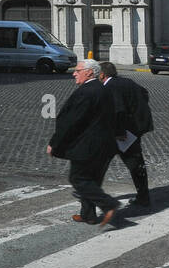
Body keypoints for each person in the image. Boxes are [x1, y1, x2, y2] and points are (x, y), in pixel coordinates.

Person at [47, 58, 119, 226]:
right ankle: (88, 215)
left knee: (78, 179)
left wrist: (54, 143)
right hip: (104, 145)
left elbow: (71, 121)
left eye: (77, 71)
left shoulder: (86, 91)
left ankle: (109, 204)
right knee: (91, 180)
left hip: (86, 146)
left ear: (88, 72)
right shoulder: (103, 89)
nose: (74, 73)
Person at [99, 61, 153, 208]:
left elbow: (119, 110)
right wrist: (136, 111)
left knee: (100, 164)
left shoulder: (110, 86)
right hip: (134, 129)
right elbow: (144, 93)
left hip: (122, 134)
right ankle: (143, 196)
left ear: (102, 74)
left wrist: (119, 132)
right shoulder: (126, 81)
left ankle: (91, 196)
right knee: (136, 163)